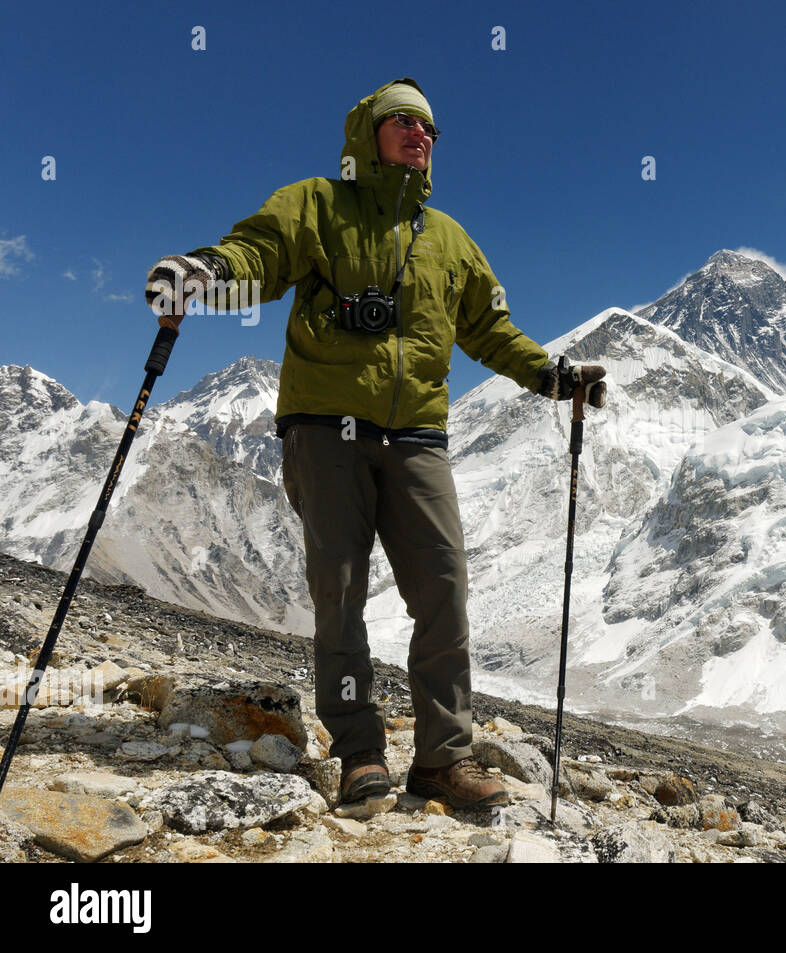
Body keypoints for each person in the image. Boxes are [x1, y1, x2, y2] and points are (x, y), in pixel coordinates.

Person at [144, 78, 605, 807]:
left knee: (444, 589)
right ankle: (360, 750)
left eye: (430, 129)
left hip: (418, 434)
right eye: (403, 122)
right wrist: (209, 271)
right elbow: (260, 256)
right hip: (325, 428)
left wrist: (552, 377)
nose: (420, 135)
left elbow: (488, 328)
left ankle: (441, 760)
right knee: (342, 592)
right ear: (368, 131)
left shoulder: (449, 239)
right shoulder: (317, 204)